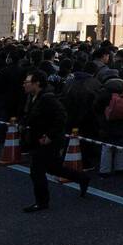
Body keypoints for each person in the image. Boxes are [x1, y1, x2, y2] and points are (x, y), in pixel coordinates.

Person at [20, 70, 90, 212]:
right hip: (40, 139)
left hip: (49, 140)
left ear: (37, 83)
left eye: (27, 82)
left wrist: (50, 135)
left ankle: (42, 202)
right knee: (54, 168)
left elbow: (62, 116)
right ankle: (82, 178)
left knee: (36, 171)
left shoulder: (47, 98)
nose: (24, 85)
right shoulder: (34, 97)